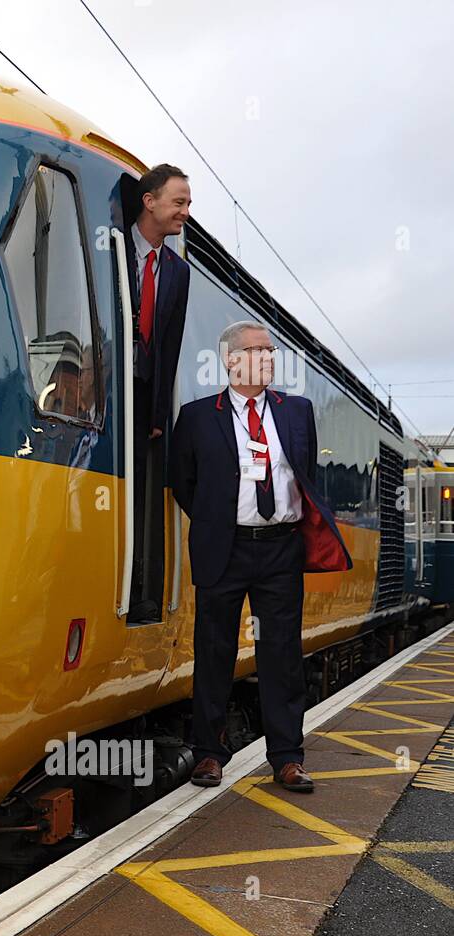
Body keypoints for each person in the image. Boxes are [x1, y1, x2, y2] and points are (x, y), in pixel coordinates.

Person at [168, 321, 352, 793]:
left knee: (281, 654)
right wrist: (218, 520)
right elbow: (185, 483)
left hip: (279, 550)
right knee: (214, 653)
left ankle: (287, 758)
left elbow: (303, 475)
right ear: (230, 359)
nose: (268, 358)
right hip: (223, 550)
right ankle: (209, 754)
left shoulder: (297, 412)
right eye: (256, 350)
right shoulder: (195, 417)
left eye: (271, 351)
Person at [128, 163, 192, 624]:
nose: (185, 213)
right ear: (149, 201)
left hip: (145, 396)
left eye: (187, 204)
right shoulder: (107, 244)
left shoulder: (177, 272)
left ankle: (141, 589)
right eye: (179, 202)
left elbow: (168, 348)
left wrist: (157, 416)